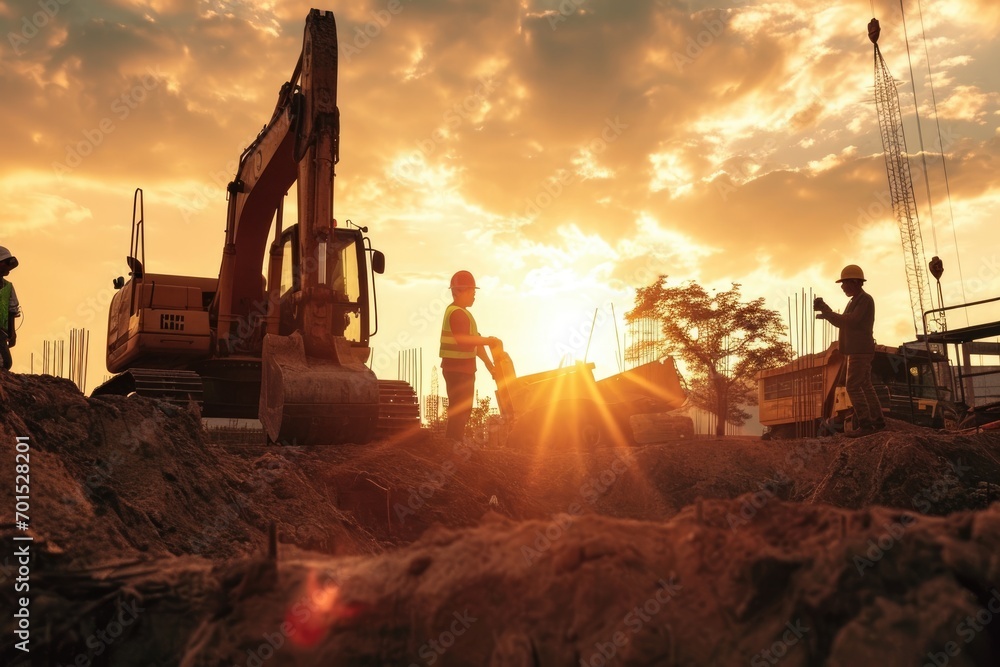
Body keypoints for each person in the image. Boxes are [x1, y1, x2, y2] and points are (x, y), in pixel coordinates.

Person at [814, 264, 885, 437]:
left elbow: (850, 321)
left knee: (853, 387)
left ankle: (867, 425)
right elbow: (842, 322)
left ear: (854, 282)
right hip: (858, 350)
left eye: (844, 283)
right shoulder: (854, 301)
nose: (842, 287)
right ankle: (878, 421)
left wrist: (826, 311)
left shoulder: (865, 300)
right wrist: (827, 311)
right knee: (865, 385)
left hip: (859, 351)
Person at [439, 270, 500, 443]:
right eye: (471, 291)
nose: (474, 296)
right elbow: (463, 340)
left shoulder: (464, 314)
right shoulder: (457, 313)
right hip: (457, 370)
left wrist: (489, 365)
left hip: (461, 370)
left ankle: (453, 443)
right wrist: (489, 340)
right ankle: (452, 444)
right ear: (458, 291)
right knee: (460, 410)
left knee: (462, 410)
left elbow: (475, 343)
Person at [0, 246, 21, 371]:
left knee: (5, 362)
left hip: (0, 332)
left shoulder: (7, 287)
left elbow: (12, 311)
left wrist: (12, 333)